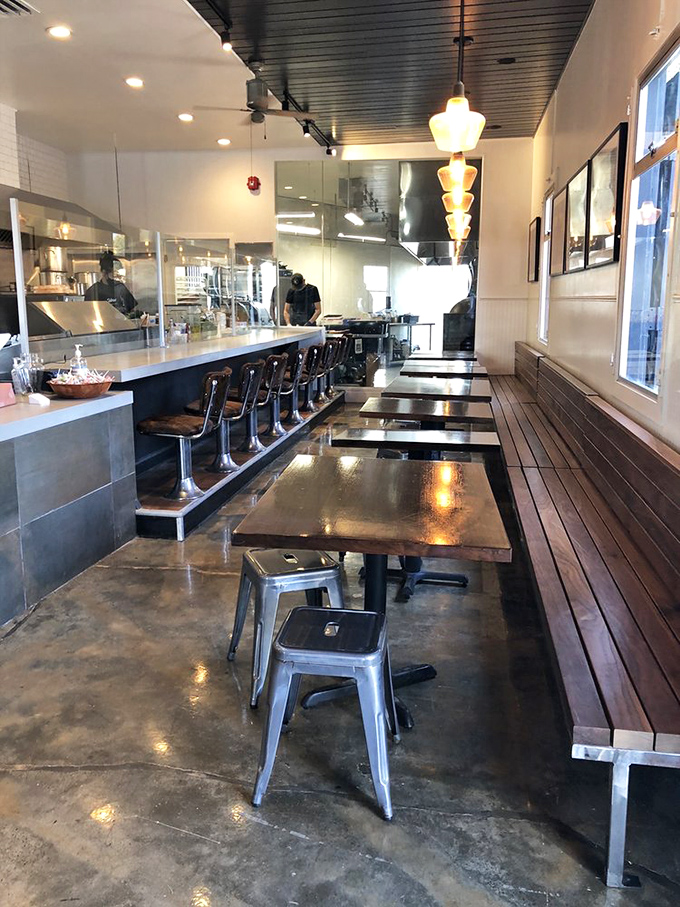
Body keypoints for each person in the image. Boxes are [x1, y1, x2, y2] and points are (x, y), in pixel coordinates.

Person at [84, 252, 137, 317]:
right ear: (104, 272)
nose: (117, 278)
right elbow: (89, 314)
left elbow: (131, 311)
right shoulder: (93, 291)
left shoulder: (121, 288)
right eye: (114, 274)